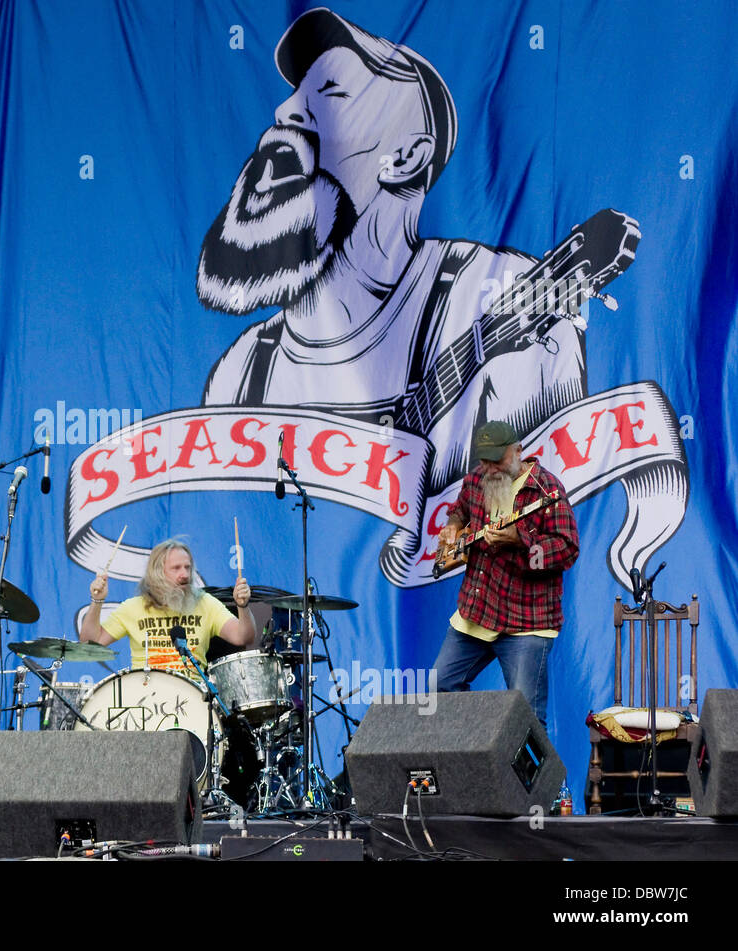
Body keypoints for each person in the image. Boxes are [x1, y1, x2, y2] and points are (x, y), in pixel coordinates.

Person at [199, 8, 587, 491]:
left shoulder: (495, 292)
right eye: (295, 94)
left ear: (406, 158)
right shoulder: (244, 370)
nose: (286, 112)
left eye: (333, 95)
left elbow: (527, 508)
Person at [431, 421, 579, 726]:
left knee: (525, 718)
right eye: (485, 461)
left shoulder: (547, 490)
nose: (490, 468)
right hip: (477, 610)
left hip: (527, 620)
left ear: (518, 451)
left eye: (497, 460)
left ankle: (529, 774)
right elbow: (460, 510)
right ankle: (473, 755)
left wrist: (520, 540)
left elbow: (567, 549)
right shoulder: (476, 479)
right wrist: (452, 527)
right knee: (439, 687)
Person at [78, 538, 257, 677]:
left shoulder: (204, 602)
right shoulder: (133, 608)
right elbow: (90, 644)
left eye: (187, 567)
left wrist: (243, 606)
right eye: (176, 568)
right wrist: (97, 601)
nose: (185, 574)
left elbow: (243, 636)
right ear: (157, 573)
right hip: (144, 697)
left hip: (194, 698)